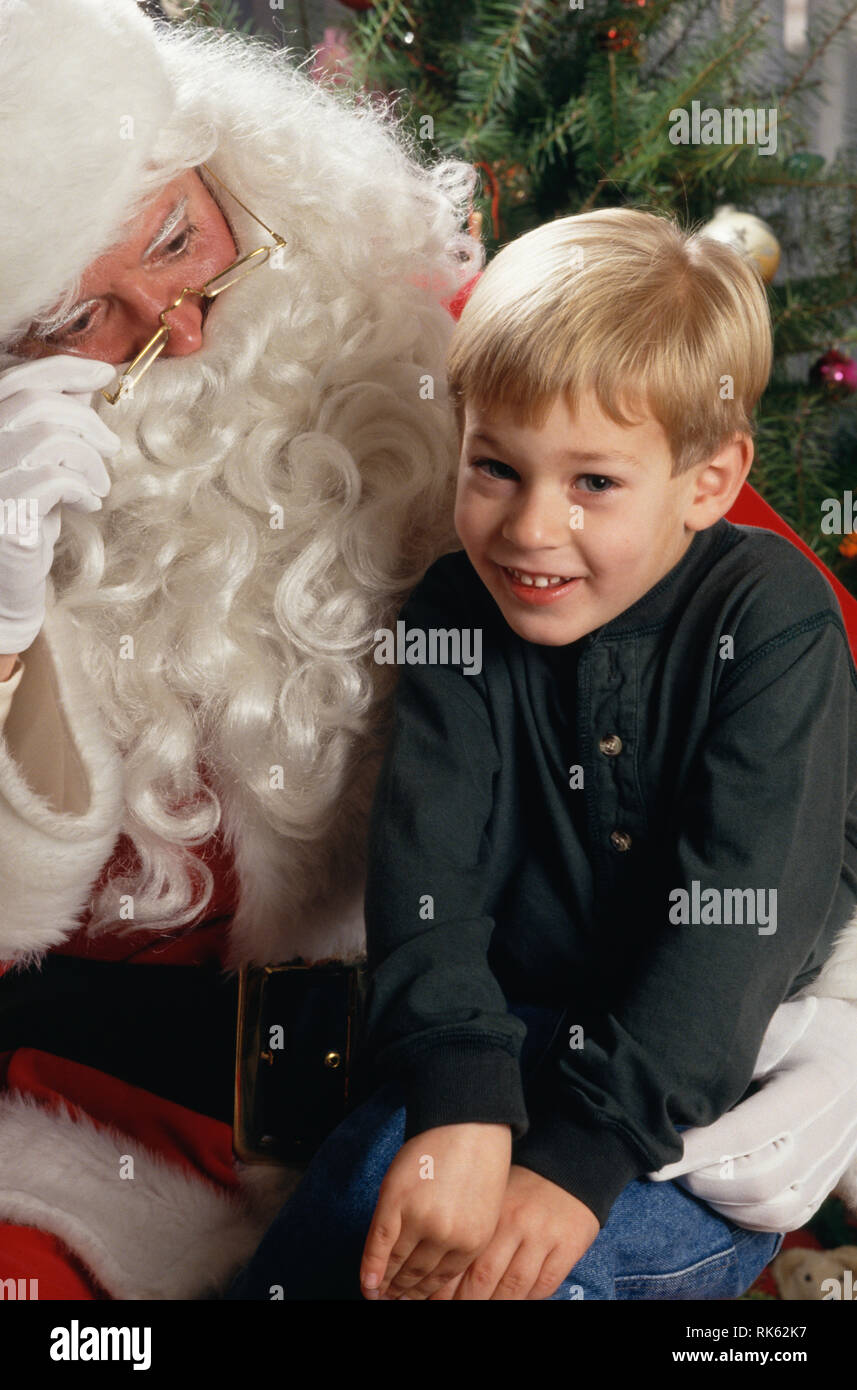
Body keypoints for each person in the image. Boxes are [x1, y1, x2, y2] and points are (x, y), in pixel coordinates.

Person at [227, 207, 857, 1301]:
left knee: (539, 1279)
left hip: (708, 1067)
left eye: (593, 484)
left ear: (705, 483)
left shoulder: (769, 618)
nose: (528, 528)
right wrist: (460, 1097)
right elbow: (429, 879)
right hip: (511, 1025)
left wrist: (579, 1161)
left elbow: (737, 918)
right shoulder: (454, 612)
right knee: (359, 1218)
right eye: (496, 468)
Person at [0, 0, 480, 1299]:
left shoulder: (449, 339)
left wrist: (832, 1002)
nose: (182, 326)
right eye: (75, 317)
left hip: (455, 1084)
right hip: (94, 1130)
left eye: (175, 237)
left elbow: (767, 635)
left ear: (232, 162)